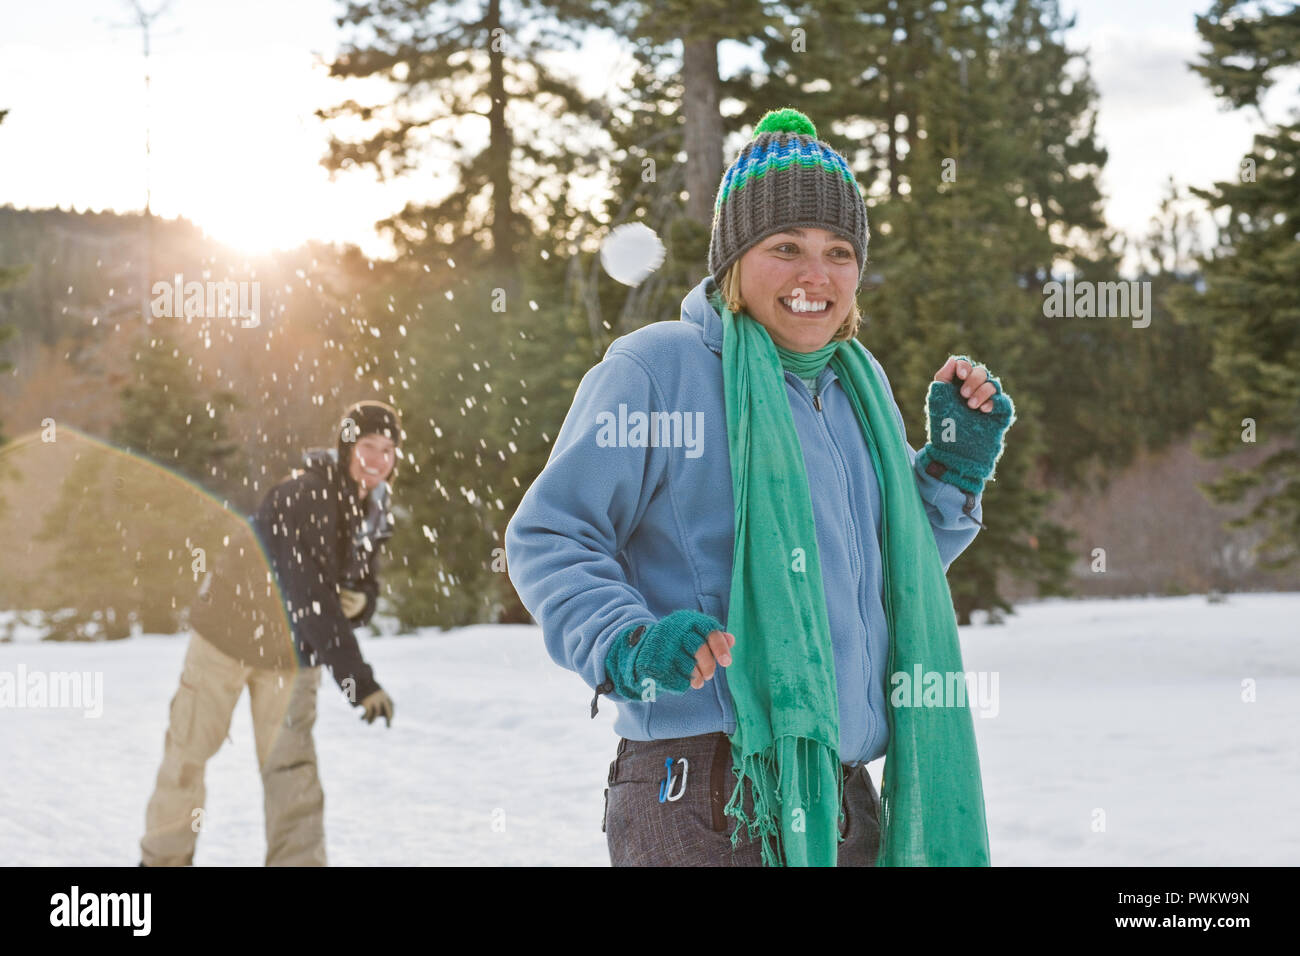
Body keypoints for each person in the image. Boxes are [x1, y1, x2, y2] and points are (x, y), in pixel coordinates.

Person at [506, 108, 1016, 867]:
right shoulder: (659, 369)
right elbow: (553, 535)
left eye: (839, 252)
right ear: (732, 263)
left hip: (839, 797)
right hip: (704, 791)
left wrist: (951, 469)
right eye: (786, 248)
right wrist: (627, 641)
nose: (818, 276)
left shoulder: (856, 387)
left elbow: (882, 574)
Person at [140, 399, 402, 866]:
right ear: (346, 446)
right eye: (367, 446)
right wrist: (358, 682)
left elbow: (358, 586)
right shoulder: (305, 496)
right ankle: (161, 862)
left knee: (291, 769)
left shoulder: (373, 509)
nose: (378, 460)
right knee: (188, 752)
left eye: (387, 449)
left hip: (290, 654)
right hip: (226, 638)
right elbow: (312, 599)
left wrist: (363, 603)